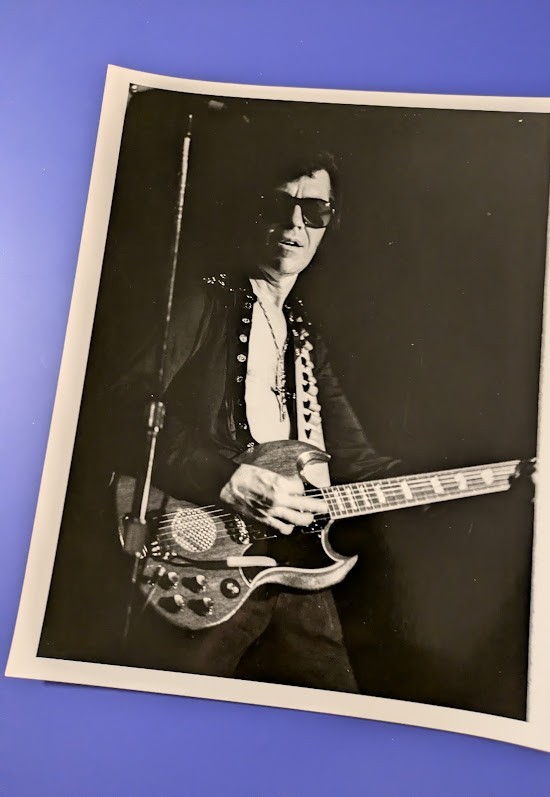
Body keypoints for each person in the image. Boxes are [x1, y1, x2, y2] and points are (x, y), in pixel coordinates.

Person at [48, 145, 402, 692]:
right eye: (278, 205)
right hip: (204, 561)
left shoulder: (305, 333)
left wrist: (499, 482)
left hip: (296, 568)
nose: (294, 223)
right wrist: (224, 475)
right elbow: (116, 405)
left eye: (315, 212)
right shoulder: (203, 299)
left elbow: (358, 460)